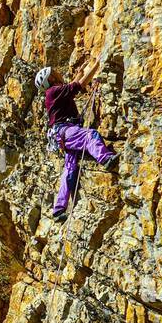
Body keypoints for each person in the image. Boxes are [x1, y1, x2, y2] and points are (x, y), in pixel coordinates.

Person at [34, 60, 117, 219]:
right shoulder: (53, 91)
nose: (57, 73)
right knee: (90, 135)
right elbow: (79, 85)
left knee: (70, 169)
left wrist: (81, 71)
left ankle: (58, 209)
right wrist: (98, 63)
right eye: (54, 73)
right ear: (50, 80)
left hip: (62, 134)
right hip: (66, 131)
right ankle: (105, 159)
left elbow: (74, 83)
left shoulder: (55, 93)